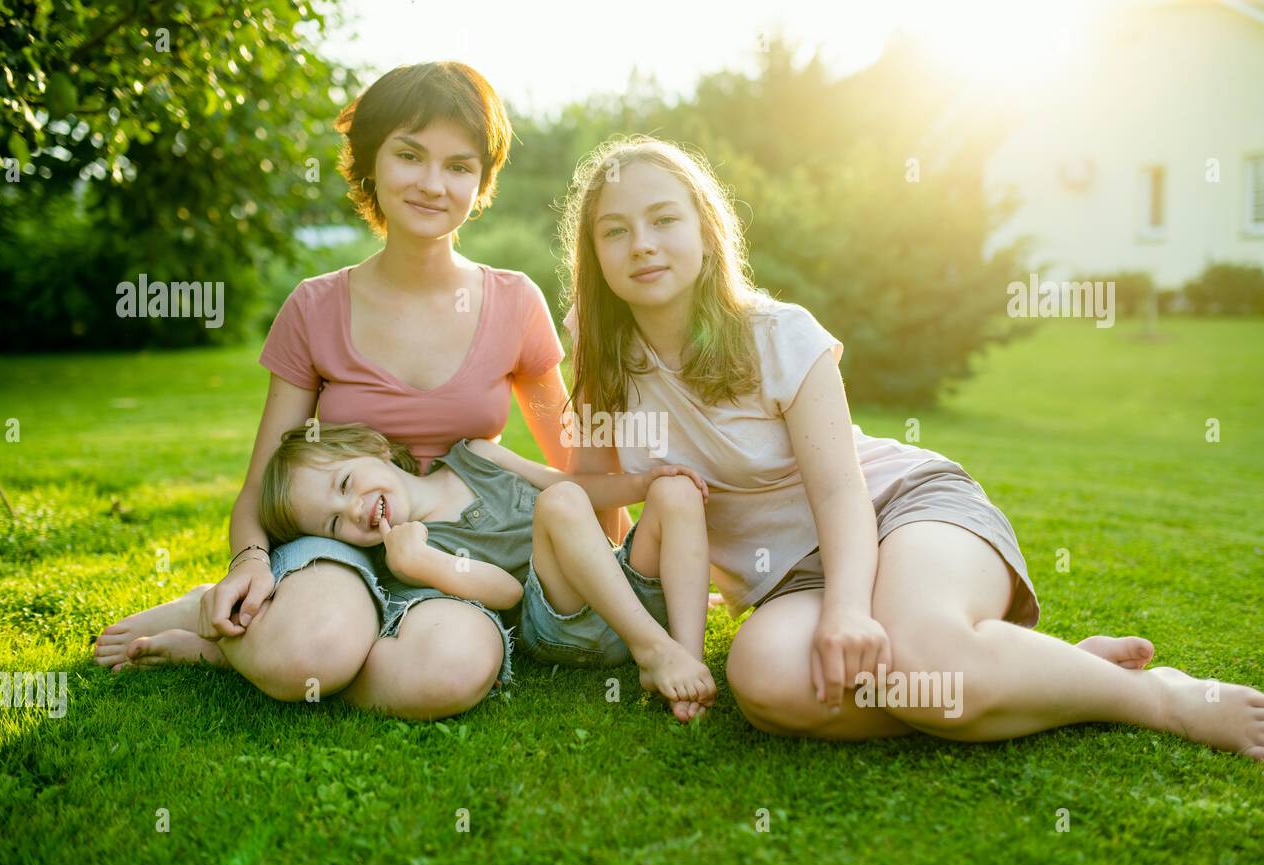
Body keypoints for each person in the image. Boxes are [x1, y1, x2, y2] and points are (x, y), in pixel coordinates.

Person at [558, 134, 1264, 758]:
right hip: (787, 582)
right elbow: (598, 496)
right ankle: (1035, 676)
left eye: (663, 220)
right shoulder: (603, 360)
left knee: (918, 661)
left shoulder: (776, 334)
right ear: (594, 255)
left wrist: (848, 609)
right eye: (614, 231)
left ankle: (1159, 699)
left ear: (707, 235)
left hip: (898, 513)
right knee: (767, 683)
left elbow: (838, 491)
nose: (642, 244)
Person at [94, 61, 630, 719]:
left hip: (450, 558)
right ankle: (239, 619)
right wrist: (250, 561)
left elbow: (571, 469)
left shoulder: (514, 301)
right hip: (336, 542)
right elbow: (261, 483)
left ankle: (257, 641)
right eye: (410, 155)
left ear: (481, 182)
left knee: (449, 674)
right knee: (308, 657)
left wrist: (622, 572)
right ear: (370, 162)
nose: (434, 184)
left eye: (459, 166)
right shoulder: (314, 306)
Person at [252, 422, 716, 720]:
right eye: (334, 523)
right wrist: (422, 562)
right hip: (562, 620)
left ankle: (687, 661)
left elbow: (563, 482)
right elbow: (507, 592)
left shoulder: (475, 455)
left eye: (346, 483)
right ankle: (653, 651)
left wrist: (641, 485)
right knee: (560, 506)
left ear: (374, 448)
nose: (354, 509)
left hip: (621, 587)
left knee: (676, 493)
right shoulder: (407, 554)